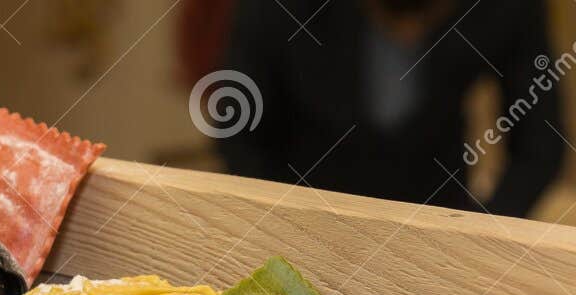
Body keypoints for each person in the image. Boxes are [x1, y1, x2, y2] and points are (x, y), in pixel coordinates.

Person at [218, 0, 566, 216]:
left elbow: (542, 142)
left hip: (436, 213)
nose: (408, 34)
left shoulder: (506, 7)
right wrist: (283, 223)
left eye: (428, 15)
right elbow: (237, 135)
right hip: (305, 204)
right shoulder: (274, 9)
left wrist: (483, 231)